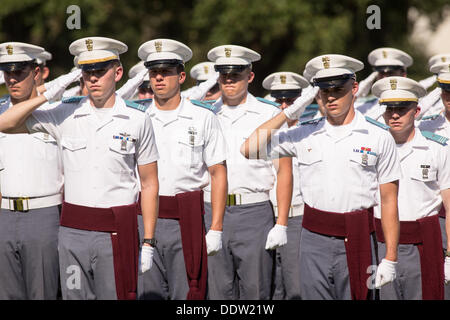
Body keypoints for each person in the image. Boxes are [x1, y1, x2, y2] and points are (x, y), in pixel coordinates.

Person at [0, 36, 160, 300]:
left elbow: (149, 182)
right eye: (87, 72)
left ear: (117, 72)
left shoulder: (137, 119)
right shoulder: (65, 113)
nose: (93, 79)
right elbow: (5, 123)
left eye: (100, 71)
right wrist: (49, 93)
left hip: (116, 230)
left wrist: (149, 241)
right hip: (73, 231)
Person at [241, 54, 401, 300]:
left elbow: (389, 200)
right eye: (324, 90)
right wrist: (288, 113)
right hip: (313, 237)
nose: (331, 97)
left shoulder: (377, 136)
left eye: (338, 88)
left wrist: (390, 257)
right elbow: (249, 149)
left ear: (354, 88)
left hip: (358, 235)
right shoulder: (305, 133)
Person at [136, 38, 227, 300]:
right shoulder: (136, 116)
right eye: (154, 73)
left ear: (182, 76)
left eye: (166, 72)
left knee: (187, 293)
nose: (159, 78)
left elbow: (218, 173)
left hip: (184, 217)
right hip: (143, 218)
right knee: (148, 293)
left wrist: (217, 227)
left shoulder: (203, 116)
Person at [205, 44, 293, 300]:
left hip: (253, 213)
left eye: (236, 73)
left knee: (256, 291)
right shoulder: (205, 113)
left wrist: (281, 223)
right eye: (224, 74)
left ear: (250, 76)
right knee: (218, 292)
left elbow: (284, 172)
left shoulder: (268, 114)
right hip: (211, 209)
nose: (229, 79)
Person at [370, 76, 450, 300]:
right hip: (381, 242)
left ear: (416, 111)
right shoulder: (370, 147)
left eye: (402, 109)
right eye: (389, 109)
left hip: (422, 243)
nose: (394, 115)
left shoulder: (437, 148)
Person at [0, 42, 64, 300]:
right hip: (4, 214)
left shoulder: (57, 111)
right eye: (7, 72)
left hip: (44, 215)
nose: (12, 79)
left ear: (36, 73)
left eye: (20, 72)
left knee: (43, 293)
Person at [262, 71, 311, 300]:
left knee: (295, 289)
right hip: (263, 216)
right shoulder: (264, 135)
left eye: (290, 101)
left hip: (297, 219)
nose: (284, 107)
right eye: (278, 101)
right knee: (270, 289)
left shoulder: (311, 133)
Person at [357, 47, 412, 121]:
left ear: (403, 74)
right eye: (381, 73)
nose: (385, 77)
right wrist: (353, 97)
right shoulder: (365, 106)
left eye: (390, 73)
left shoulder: (413, 104)